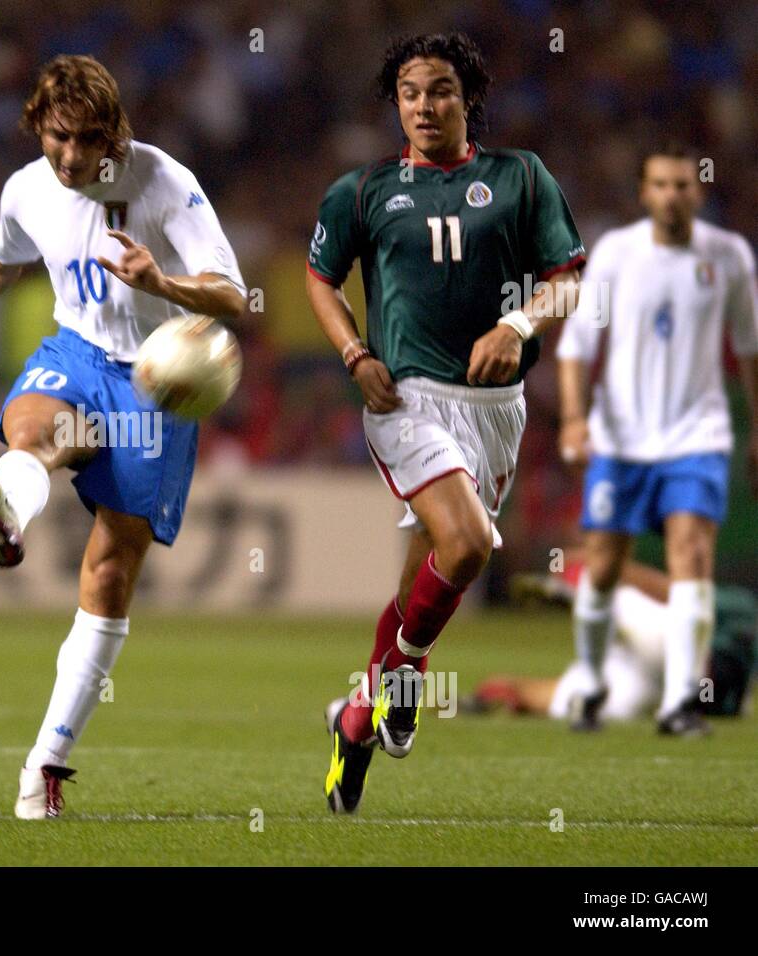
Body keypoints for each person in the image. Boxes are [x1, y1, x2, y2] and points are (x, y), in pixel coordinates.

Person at [0, 55, 245, 819]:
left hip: (156, 380)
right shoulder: (29, 188)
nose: (72, 158)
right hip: (76, 353)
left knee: (107, 576)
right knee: (33, 433)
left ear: (115, 136)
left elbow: (232, 293)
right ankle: (9, 510)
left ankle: (46, 764)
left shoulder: (164, 183)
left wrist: (161, 283)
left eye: (89, 141)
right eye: (59, 137)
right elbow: (1, 264)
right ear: (38, 125)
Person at [304, 32, 585, 814]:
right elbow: (320, 279)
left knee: (423, 581)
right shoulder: (362, 191)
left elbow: (570, 278)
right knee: (467, 546)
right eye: (410, 93)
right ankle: (407, 681)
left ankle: (360, 717)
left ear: (469, 99)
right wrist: (357, 353)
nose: (425, 106)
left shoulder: (520, 177)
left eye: (440, 91)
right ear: (395, 105)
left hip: (496, 412)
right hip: (406, 401)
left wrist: (518, 328)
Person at [555, 144, 758, 735]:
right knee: (602, 566)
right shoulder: (617, 254)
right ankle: (591, 680)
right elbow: (575, 348)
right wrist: (573, 420)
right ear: (644, 192)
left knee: (692, 555)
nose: (673, 195)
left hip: (698, 435)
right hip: (621, 441)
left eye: (684, 185)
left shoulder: (729, 257)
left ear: (700, 191)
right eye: (661, 185)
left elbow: (750, 350)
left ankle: (678, 703)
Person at [477, 561, 756, 723]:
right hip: (660, 680)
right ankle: (500, 695)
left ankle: (583, 588)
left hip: (688, 665)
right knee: (586, 702)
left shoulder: (742, 605)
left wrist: (614, 565)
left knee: (634, 609)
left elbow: (676, 594)